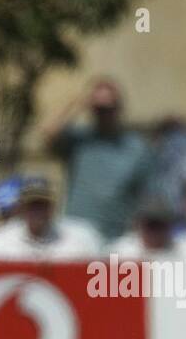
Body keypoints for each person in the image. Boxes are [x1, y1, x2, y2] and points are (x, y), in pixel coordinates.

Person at [43, 79, 153, 240]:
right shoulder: (79, 140)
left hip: (117, 236)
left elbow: (147, 195)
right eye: (98, 109)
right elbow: (47, 133)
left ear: (119, 109)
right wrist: (78, 103)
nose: (103, 115)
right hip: (77, 235)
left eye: (108, 109)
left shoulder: (136, 148)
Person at [0, 177, 103, 261]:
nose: (37, 212)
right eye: (32, 205)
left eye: (42, 205)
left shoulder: (82, 239)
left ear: (52, 207)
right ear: (21, 208)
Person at [107, 196, 186, 259]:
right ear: (138, 225)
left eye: (160, 225)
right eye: (151, 225)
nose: (155, 232)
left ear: (170, 226)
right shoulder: (120, 252)